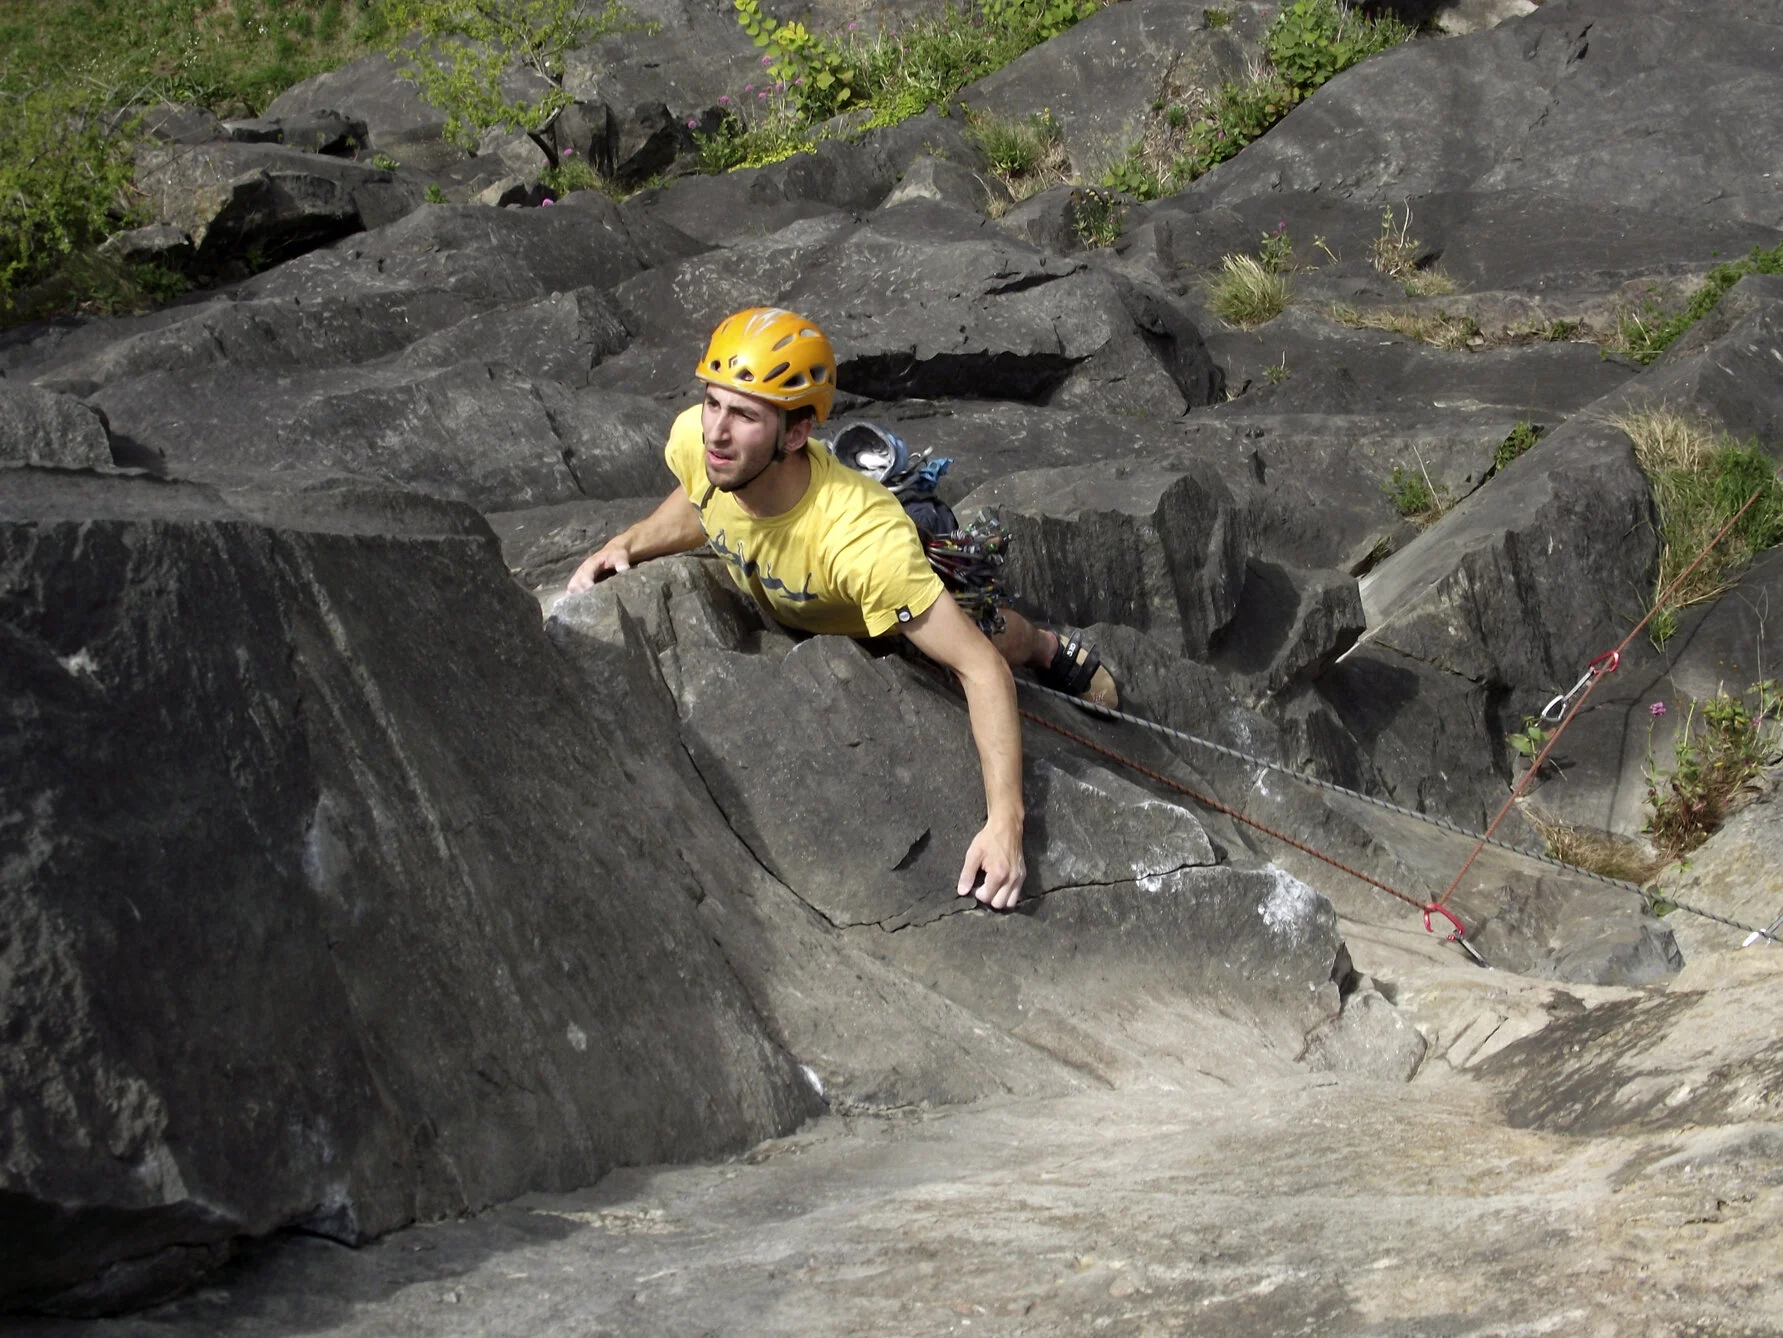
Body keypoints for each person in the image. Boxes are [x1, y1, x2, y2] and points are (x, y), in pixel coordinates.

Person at [566, 307, 1116, 910]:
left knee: (983, 636)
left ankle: (1045, 646)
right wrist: (627, 543)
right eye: (712, 403)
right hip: (821, 584)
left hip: (883, 571)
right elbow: (697, 499)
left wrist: (1006, 826)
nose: (716, 433)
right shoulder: (700, 444)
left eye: (744, 415)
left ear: (796, 433)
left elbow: (981, 670)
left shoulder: (864, 544)